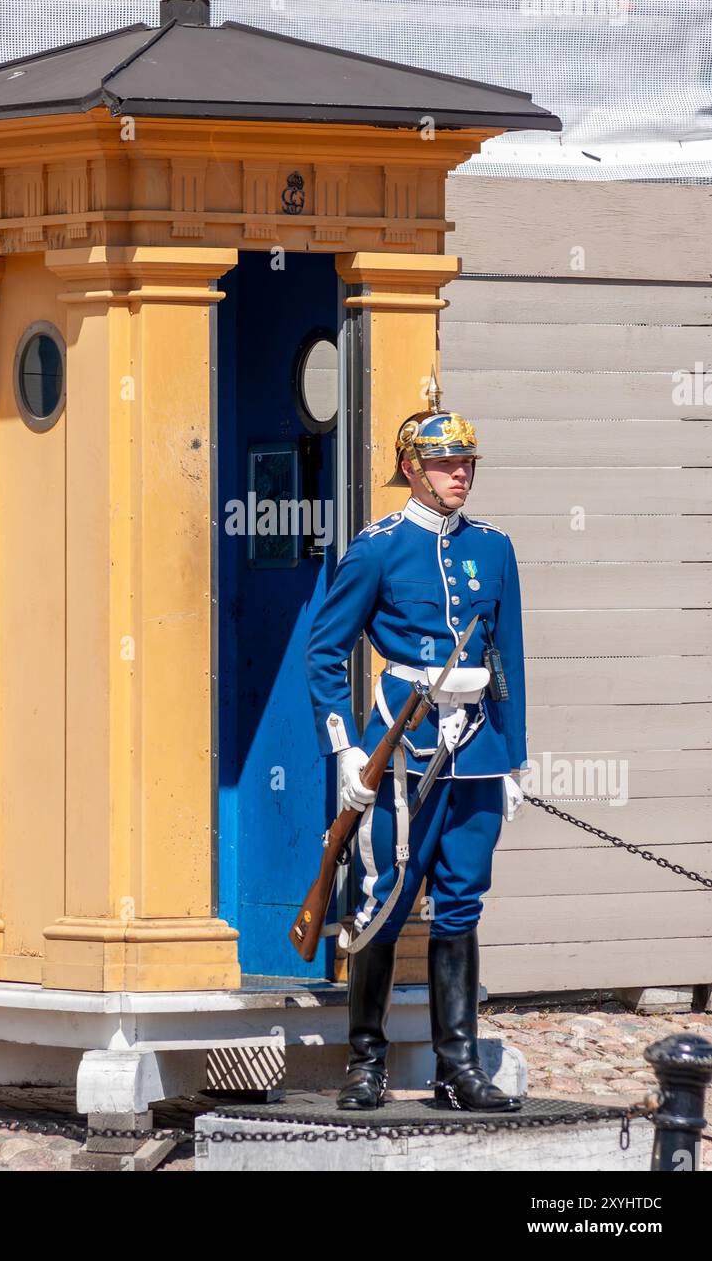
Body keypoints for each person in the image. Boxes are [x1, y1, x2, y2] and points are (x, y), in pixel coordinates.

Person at [305, 401, 528, 1111]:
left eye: (465, 462)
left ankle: (456, 1067)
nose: (459, 474)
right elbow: (324, 652)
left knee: (462, 901)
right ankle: (364, 1063)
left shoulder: (493, 547)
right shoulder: (377, 546)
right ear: (410, 469)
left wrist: (514, 757)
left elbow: (510, 656)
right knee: (385, 897)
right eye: (443, 463)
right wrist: (344, 750)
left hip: (477, 750)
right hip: (401, 748)